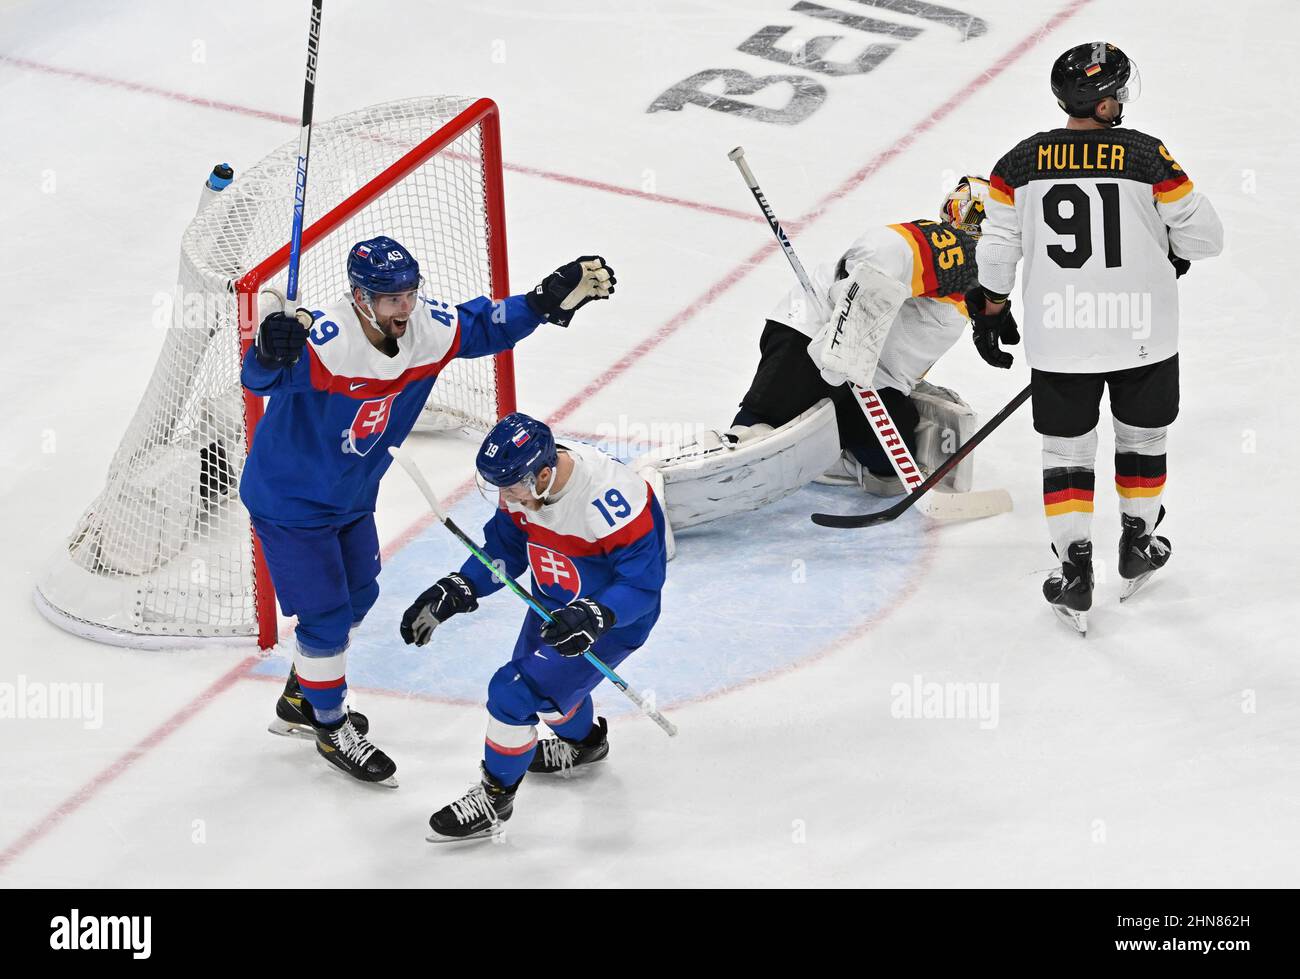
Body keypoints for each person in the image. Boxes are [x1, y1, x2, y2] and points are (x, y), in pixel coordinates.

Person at [242, 237, 616, 784]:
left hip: (351, 495)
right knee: (324, 619)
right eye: (391, 298)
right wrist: (268, 349)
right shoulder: (326, 342)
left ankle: (304, 694)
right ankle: (328, 726)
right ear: (360, 297)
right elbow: (260, 379)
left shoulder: (425, 330)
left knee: (361, 595)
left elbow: (484, 326)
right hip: (290, 500)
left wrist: (540, 302)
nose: (405, 307)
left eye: (410, 293)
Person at [972, 42, 1223, 633]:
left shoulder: (1018, 163)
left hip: (1060, 335)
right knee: (1142, 438)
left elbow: (999, 247)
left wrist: (991, 306)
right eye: (1117, 91)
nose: (1121, 101)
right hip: (1143, 331)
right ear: (1102, 100)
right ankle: (1140, 540)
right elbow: (1206, 237)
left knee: (1065, 452)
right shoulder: (1146, 155)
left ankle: (1075, 571)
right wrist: (1170, 251)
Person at [637, 177, 1003, 537]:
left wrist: (996, 309)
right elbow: (885, 248)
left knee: (887, 473)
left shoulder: (982, 279)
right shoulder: (957, 250)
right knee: (757, 436)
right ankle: (668, 481)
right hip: (815, 336)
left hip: (867, 380)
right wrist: (851, 324)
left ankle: (827, 449)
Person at [401, 413, 667, 840]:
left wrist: (596, 616)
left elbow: (642, 587)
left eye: (514, 488)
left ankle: (494, 802)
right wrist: (459, 586)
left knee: (512, 692)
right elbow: (505, 552)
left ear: (545, 472)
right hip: (553, 603)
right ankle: (585, 745)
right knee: (546, 699)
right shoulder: (521, 485)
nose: (508, 498)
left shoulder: (613, 498)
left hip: (610, 621)